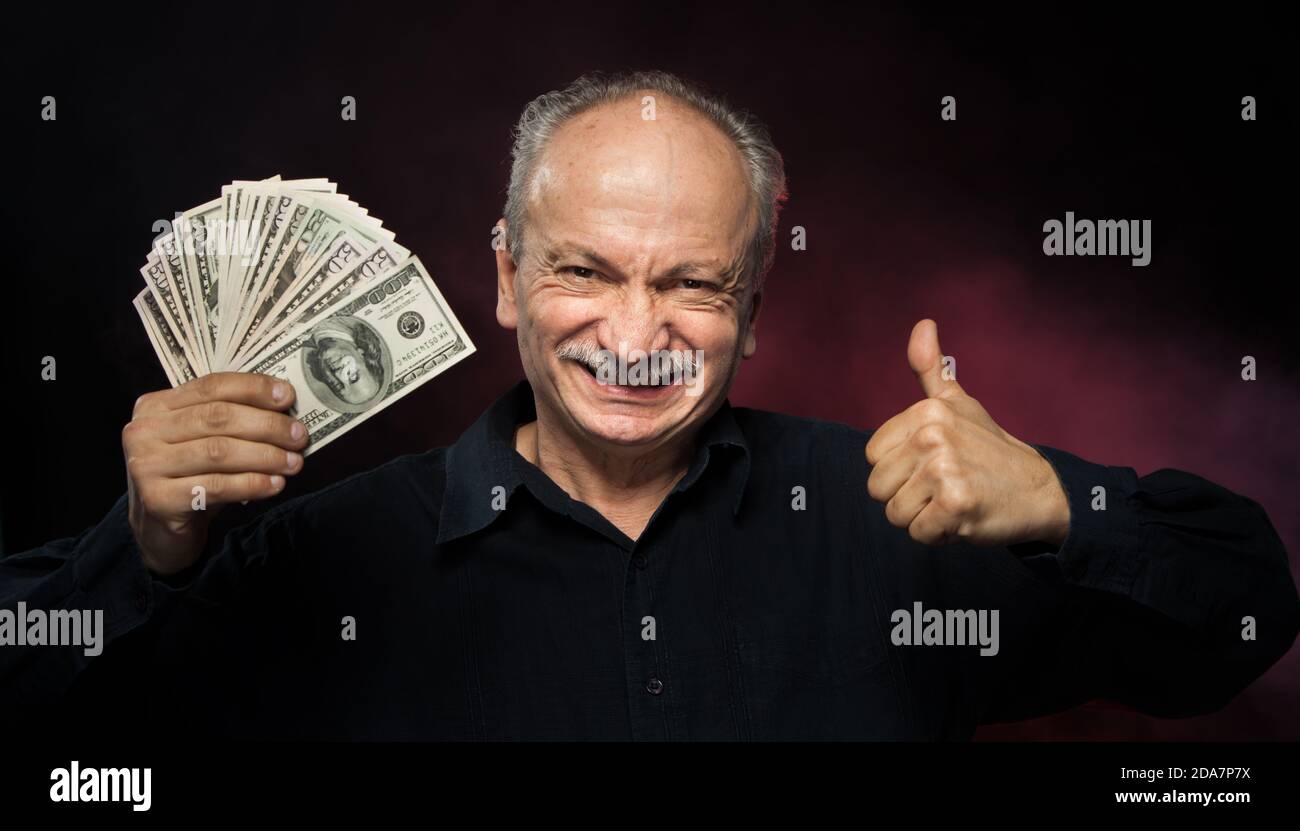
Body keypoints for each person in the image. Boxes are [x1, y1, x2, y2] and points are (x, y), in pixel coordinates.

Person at [2, 70, 1296, 739]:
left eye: (691, 283)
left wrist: (1070, 508)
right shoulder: (323, 553)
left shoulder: (905, 523)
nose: (633, 335)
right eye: (581, 269)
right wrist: (146, 548)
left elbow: (1241, 623)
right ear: (504, 278)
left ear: (753, 304)